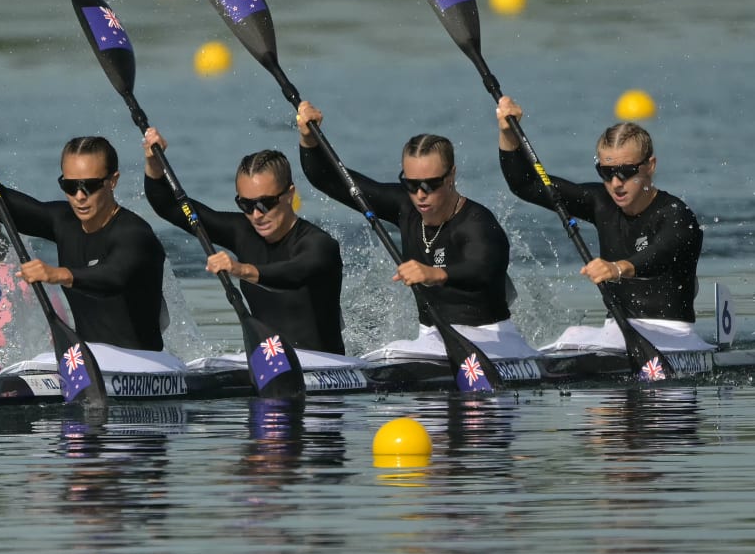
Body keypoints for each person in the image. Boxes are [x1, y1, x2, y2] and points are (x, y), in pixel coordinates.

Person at [295, 101, 536, 360]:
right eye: (411, 185)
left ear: (451, 175)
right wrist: (308, 138)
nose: (420, 195)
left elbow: (483, 270)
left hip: (493, 340)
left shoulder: (477, 223)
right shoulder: (405, 207)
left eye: (431, 184)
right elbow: (327, 178)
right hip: (431, 339)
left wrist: (435, 273)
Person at [0, 97, 167, 352]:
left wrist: (56, 274)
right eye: (70, 187)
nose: (80, 196)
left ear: (112, 181)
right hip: (88, 361)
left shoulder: (134, 234)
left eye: (90, 185)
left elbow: (113, 277)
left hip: (146, 364)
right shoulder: (63, 221)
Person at [495, 96, 708, 350]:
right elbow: (525, 184)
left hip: (673, 336)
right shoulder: (601, 202)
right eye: (607, 173)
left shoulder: (677, 215)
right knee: (572, 335)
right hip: (616, 332)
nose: (616, 183)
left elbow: (660, 255)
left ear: (650, 166)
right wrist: (508, 134)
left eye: (627, 171)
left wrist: (617, 269)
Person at [142, 127, 346, 355]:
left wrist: (240, 269)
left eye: (265, 203)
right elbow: (168, 206)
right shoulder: (242, 231)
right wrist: (153, 163)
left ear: (289, 194)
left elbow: (293, 274)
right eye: (246, 205)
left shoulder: (320, 245)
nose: (256, 215)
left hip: (325, 364)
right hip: (269, 361)